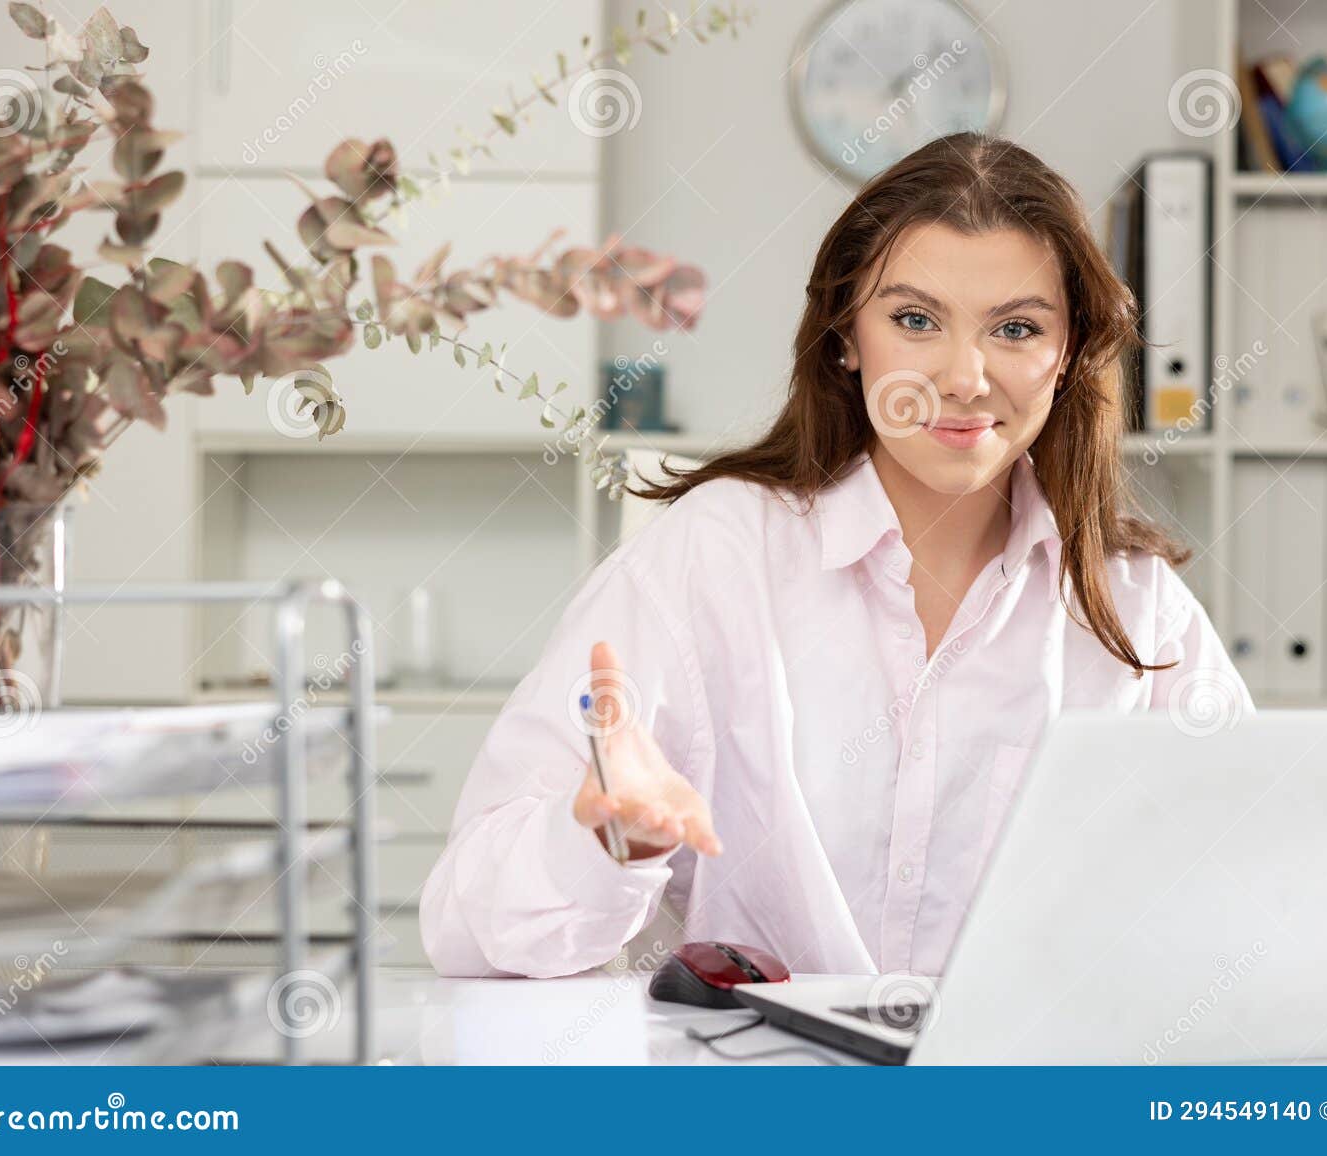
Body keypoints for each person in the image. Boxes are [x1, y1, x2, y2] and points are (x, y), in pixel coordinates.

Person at [420, 131, 1253, 979]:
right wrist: (607, 840)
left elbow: (1249, 886)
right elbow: (465, 924)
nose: (965, 377)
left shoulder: (1132, 604)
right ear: (846, 337)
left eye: (1015, 327)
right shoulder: (714, 558)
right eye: (915, 320)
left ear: (1070, 352)